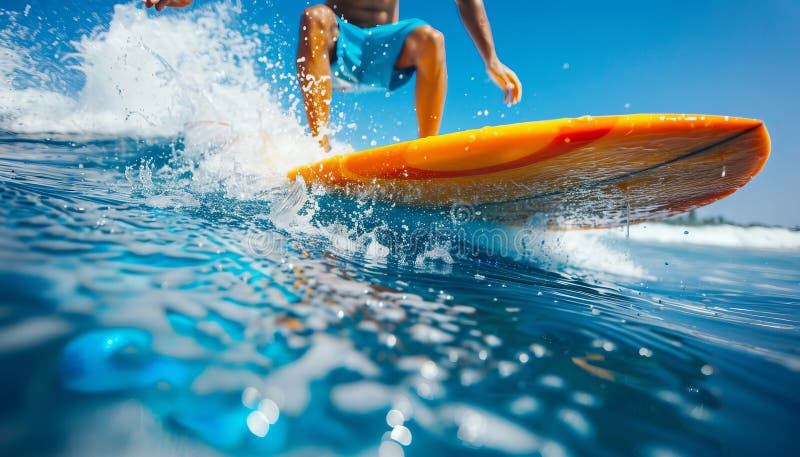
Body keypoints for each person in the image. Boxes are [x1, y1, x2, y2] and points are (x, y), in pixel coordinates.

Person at [143, 0, 522, 150]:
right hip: (337, 48)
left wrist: (490, 59)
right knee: (314, 16)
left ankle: (428, 150)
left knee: (430, 38)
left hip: (385, 52)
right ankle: (319, 146)